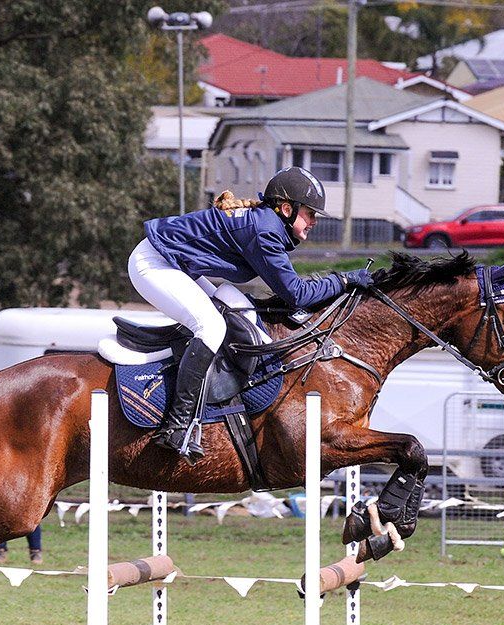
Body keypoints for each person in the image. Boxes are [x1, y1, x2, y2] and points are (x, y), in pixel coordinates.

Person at [128, 165, 374, 461]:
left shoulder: (268, 224)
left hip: (174, 263)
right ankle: (176, 425)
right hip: (153, 263)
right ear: (286, 209)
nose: (314, 222)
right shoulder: (265, 231)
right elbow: (295, 295)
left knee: (235, 305)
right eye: (310, 213)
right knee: (211, 327)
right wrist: (343, 280)